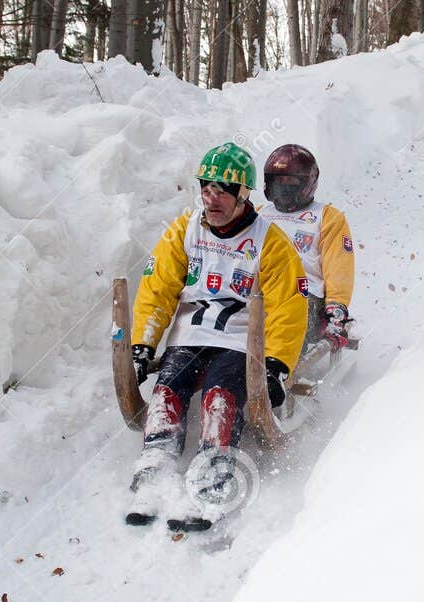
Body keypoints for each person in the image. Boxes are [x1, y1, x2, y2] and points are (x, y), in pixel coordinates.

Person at [126, 142, 307, 525]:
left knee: (220, 397)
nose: (213, 200)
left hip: (239, 341)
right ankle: (155, 470)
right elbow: (157, 288)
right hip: (191, 336)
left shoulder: (269, 242)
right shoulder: (185, 230)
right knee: (167, 391)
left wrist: (275, 366)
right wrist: (143, 343)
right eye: (207, 190)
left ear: (244, 195)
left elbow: (287, 306)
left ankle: (213, 474)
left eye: (223, 191)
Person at [256, 144, 355, 359]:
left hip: (304, 296)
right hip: (259, 290)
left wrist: (336, 311)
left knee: (283, 317)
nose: (283, 187)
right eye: (277, 181)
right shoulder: (258, 214)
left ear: (307, 182)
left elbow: (339, 267)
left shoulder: (327, 217)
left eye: (290, 181)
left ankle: (277, 366)